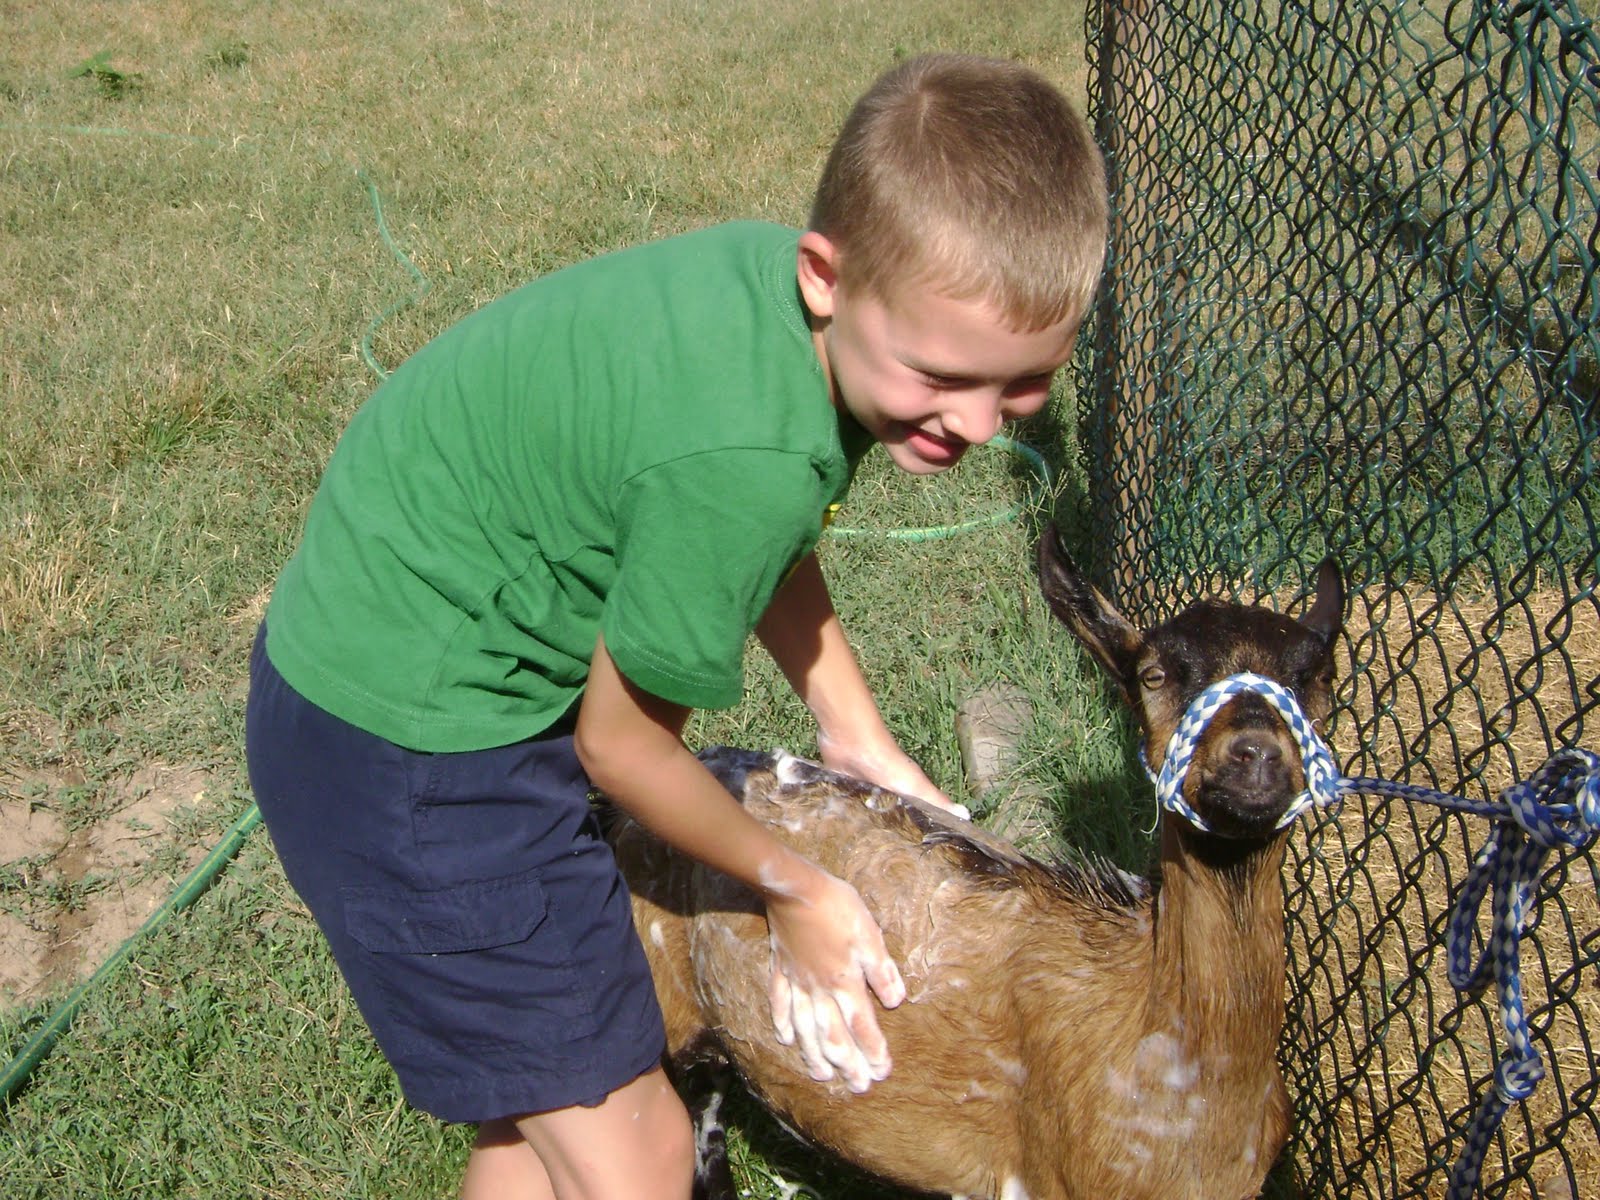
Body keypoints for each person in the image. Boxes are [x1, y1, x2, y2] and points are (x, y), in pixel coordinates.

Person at [245, 50, 1107, 1200]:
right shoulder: (743, 460)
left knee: (546, 1109)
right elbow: (625, 743)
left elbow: (768, 520)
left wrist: (852, 730)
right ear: (826, 276)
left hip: (375, 674)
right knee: (642, 1154)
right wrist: (796, 886)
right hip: (417, 757)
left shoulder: (793, 319)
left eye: (1024, 387)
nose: (980, 425)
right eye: (942, 376)